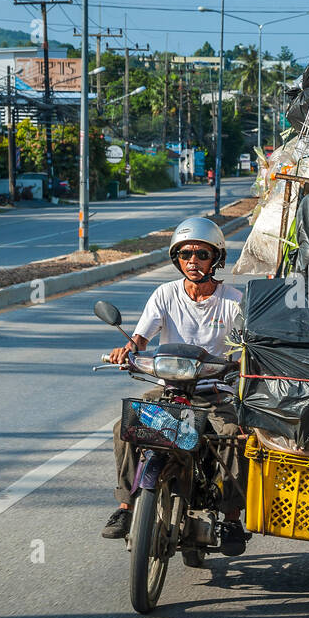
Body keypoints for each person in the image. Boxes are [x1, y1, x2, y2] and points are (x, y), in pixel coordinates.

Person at [101, 216, 250, 555]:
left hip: (214, 393)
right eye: (185, 255)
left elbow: (247, 345)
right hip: (170, 391)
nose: (192, 262)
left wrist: (242, 362)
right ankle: (125, 508)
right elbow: (140, 338)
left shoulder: (233, 300)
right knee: (123, 427)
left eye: (201, 254)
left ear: (217, 259)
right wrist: (127, 350)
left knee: (232, 437)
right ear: (176, 259)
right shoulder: (165, 294)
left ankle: (230, 517)